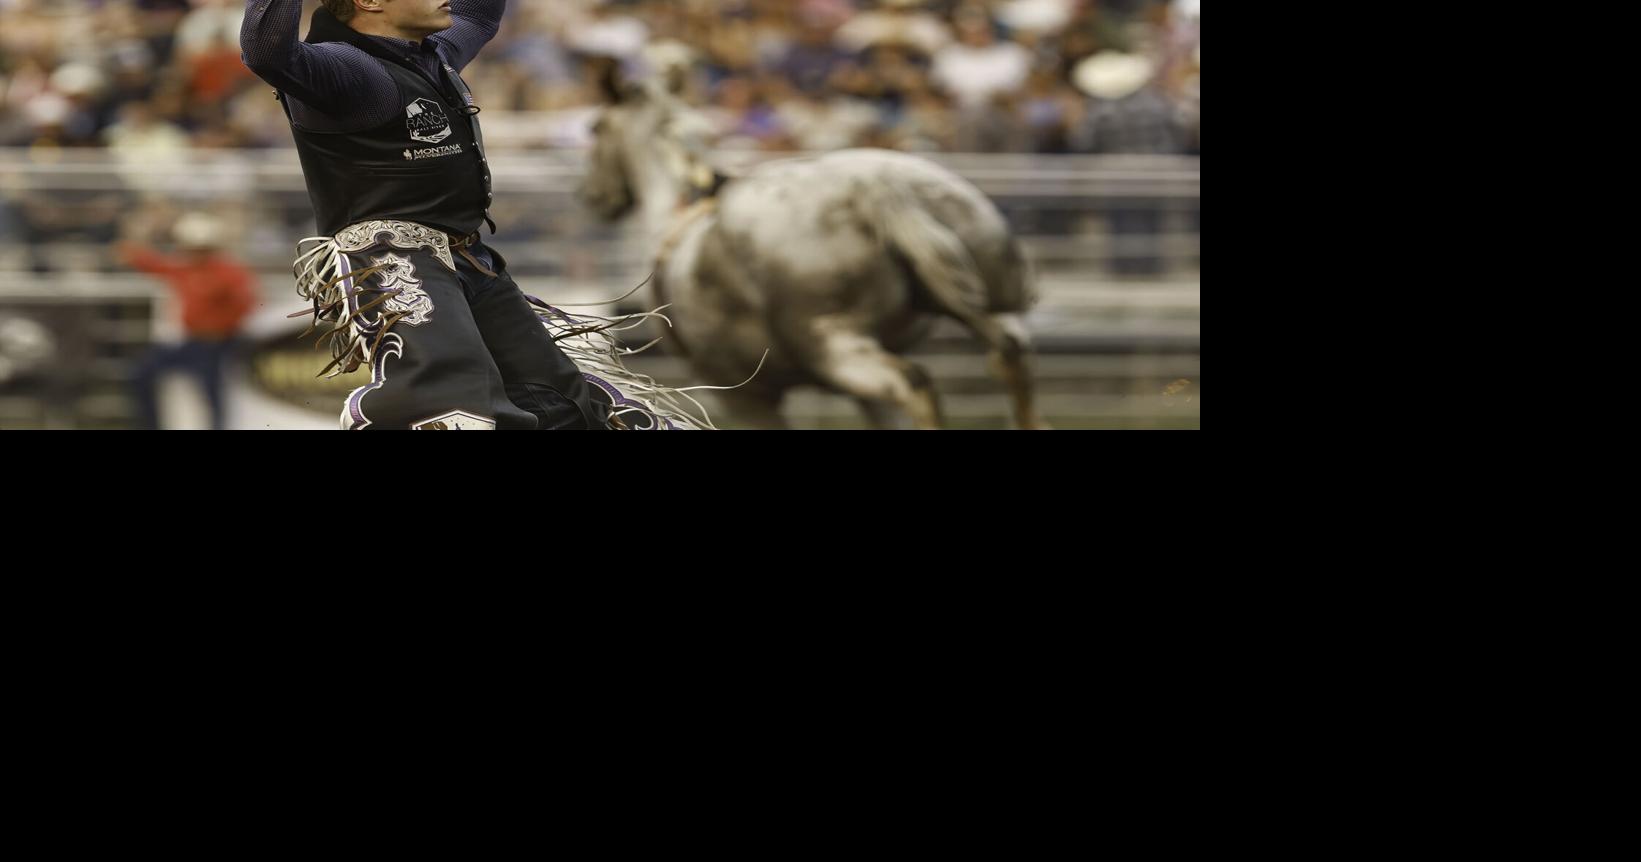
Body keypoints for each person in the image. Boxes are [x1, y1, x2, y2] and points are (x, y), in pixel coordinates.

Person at [240, 0, 690, 430]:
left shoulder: (433, 51)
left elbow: (480, 11)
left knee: (561, 402)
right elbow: (266, 53)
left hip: (468, 257)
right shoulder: (347, 68)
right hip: (389, 257)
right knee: (454, 405)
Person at [121, 212, 258, 430]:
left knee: (213, 393)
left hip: (218, 343)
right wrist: (136, 238)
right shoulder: (186, 268)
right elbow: (147, 262)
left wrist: (221, 329)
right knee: (142, 375)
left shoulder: (228, 272)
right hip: (193, 341)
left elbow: (246, 304)